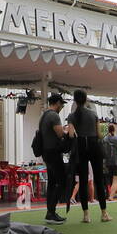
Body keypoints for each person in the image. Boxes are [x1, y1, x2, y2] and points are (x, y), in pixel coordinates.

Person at [65, 89, 110, 223]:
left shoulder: (71, 116)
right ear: (85, 100)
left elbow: (72, 135)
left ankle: (86, 215)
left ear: (75, 100)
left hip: (80, 147)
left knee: (83, 181)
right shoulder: (93, 114)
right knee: (98, 180)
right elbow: (99, 135)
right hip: (93, 145)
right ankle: (104, 213)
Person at [39, 92, 70, 224]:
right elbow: (59, 134)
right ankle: (51, 212)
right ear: (57, 103)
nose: (62, 107)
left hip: (46, 152)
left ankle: (50, 212)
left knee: (52, 182)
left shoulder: (44, 115)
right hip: (53, 153)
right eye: (61, 104)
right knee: (62, 181)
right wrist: (67, 132)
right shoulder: (54, 116)